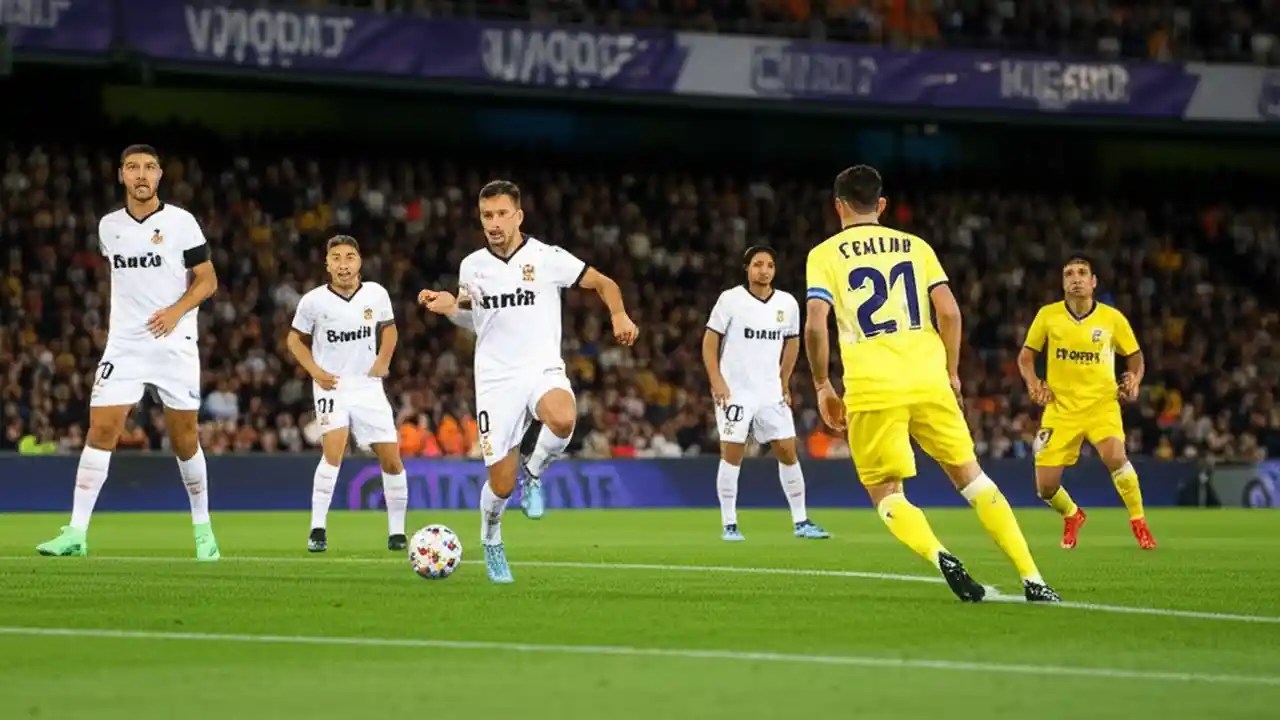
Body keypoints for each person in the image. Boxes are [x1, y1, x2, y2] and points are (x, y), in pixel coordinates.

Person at [803, 165, 1059, 602]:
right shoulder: (915, 247)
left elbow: (814, 326)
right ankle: (1034, 578)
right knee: (973, 480)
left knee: (885, 491)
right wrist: (953, 371)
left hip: (872, 384)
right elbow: (951, 312)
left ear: (838, 206)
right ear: (881, 205)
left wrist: (824, 385)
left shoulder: (824, 254)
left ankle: (940, 554)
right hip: (928, 377)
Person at [419, 179, 638, 584]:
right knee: (500, 484)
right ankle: (491, 539)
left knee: (563, 418)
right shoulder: (472, 265)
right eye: (487, 215)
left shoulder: (548, 257)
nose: (495, 222)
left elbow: (604, 283)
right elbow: (474, 315)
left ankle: (534, 472)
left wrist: (619, 314)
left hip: (540, 367)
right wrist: (448, 306)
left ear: (518, 215)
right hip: (495, 378)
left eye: (502, 214)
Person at [37, 144, 220, 560]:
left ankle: (203, 530)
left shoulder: (181, 223)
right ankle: (76, 533)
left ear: (159, 176)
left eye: (150, 168)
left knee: (185, 439)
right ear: (121, 175)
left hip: (174, 343)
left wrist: (176, 311)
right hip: (124, 344)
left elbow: (208, 281)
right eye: (133, 167)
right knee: (101, 429)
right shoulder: (109, 227)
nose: (142, 175)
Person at [1018, 253, 1156, 550]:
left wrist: (1134, 379)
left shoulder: (1112, 318)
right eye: (1069, 274)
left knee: (1115, 457)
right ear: (1063, 283)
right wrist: (1033, 383)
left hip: (1101, 405)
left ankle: (1139, 522)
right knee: (1045, 487)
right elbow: (1026, 356)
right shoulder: (1048, 316)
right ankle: (1072, 515)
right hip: (1060, 408)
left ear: (1093, 282)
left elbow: (1135, 356)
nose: (1076, 278)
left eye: (1082, 273)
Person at [287, 235, 408, 553]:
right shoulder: (313, 301)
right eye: (337, 258)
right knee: (333, 452)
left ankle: (397, 533)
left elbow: (390, 329)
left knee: (392, 460)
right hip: (332, 385)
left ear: (360, 261)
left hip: (368, 385)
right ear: (327, 264)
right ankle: (317, 529)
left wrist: (383, 360)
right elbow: (294, 340)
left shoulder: (376, 294)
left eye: (350, 257)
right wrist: (315, 372)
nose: (343, 264)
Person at [702, 245, 830, 541]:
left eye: (769, 265)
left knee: (787, 450)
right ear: (746, 268)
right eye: (758, 264)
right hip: (736, 391)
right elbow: (709, 342)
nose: (764, 270)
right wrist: (717, 380)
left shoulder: (787, 303)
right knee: (732, 452)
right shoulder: (730, 300)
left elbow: (793, 343)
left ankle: (802, 521)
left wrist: (784, 381)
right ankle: (729, 524)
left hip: (770, 391)